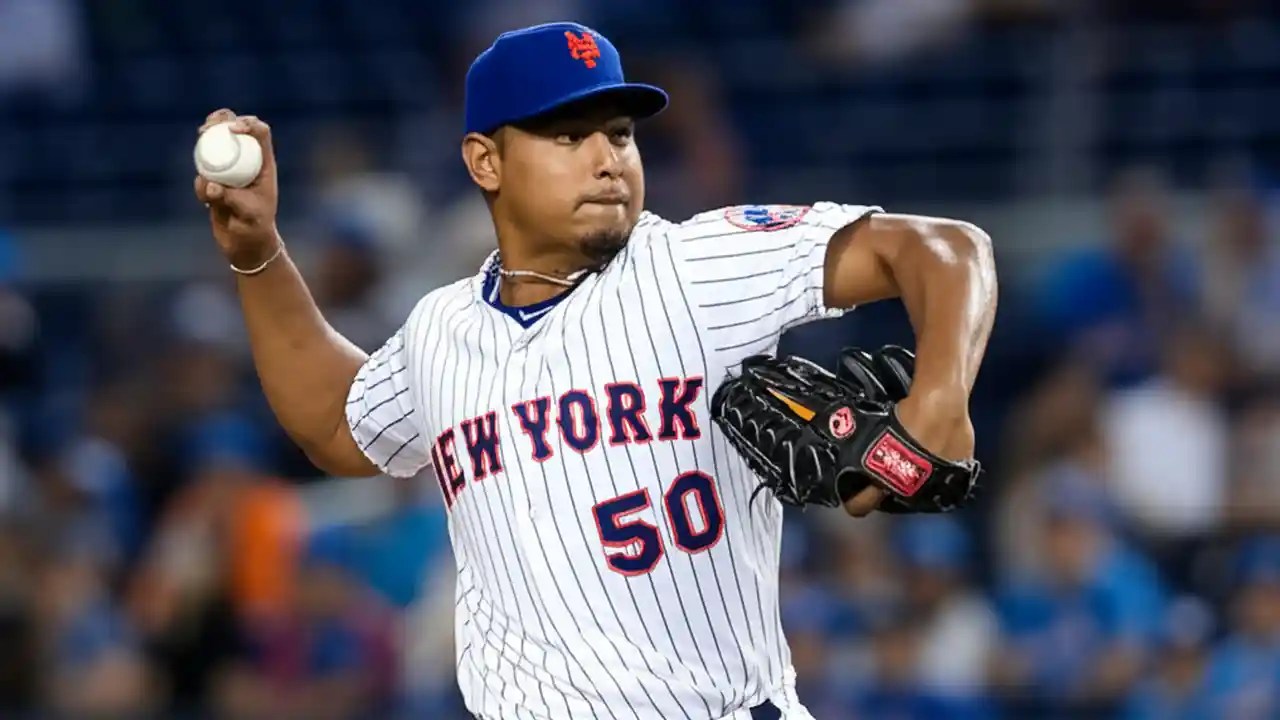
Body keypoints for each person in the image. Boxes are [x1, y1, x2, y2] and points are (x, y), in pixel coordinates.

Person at [192, 21, 997, 720]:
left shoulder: (694, 264)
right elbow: (338, 425)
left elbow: (946, 249)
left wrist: (939, 402)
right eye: (567, 136)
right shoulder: (441, 329)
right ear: (485, 161)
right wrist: (260, 257)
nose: (607, 159)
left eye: (619, 131)